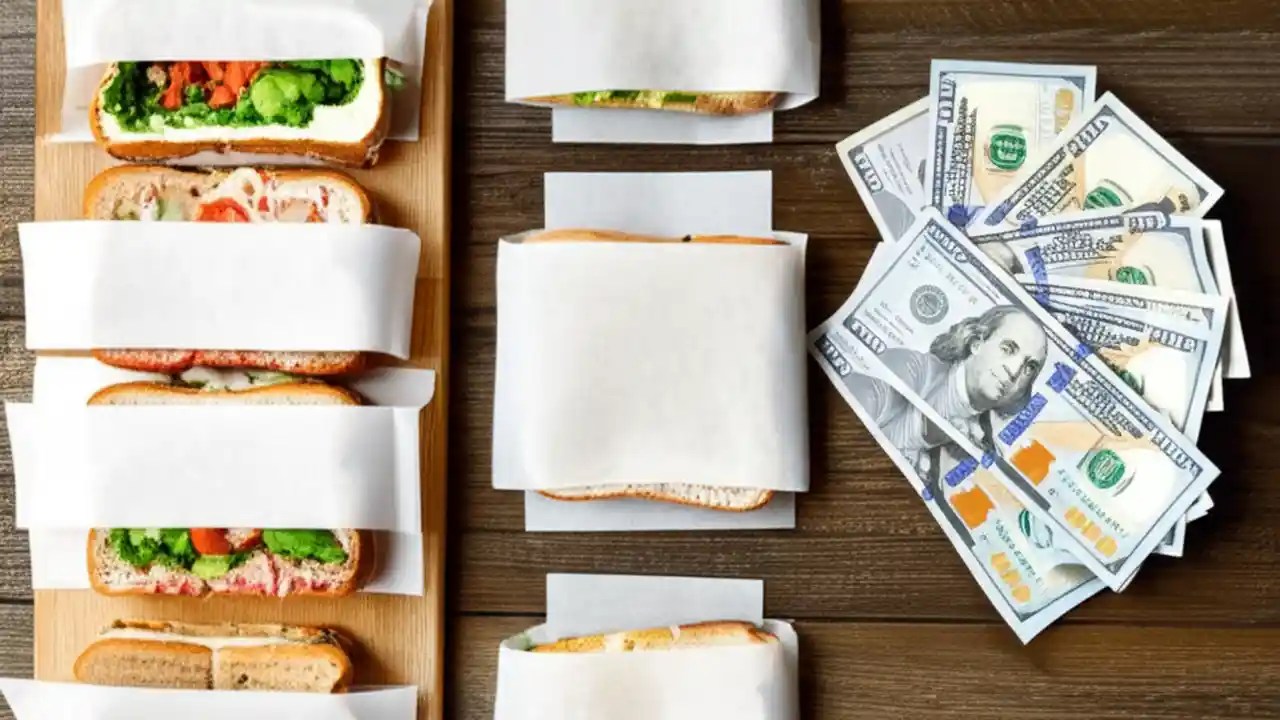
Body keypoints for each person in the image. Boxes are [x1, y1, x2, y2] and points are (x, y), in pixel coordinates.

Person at [845, 304, 1048, 475]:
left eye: (1030, 367)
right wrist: (919, 432)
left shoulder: (983, 443)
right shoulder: (910, 368)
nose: (1014, 372)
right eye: (1007, 349)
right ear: (977, 343)